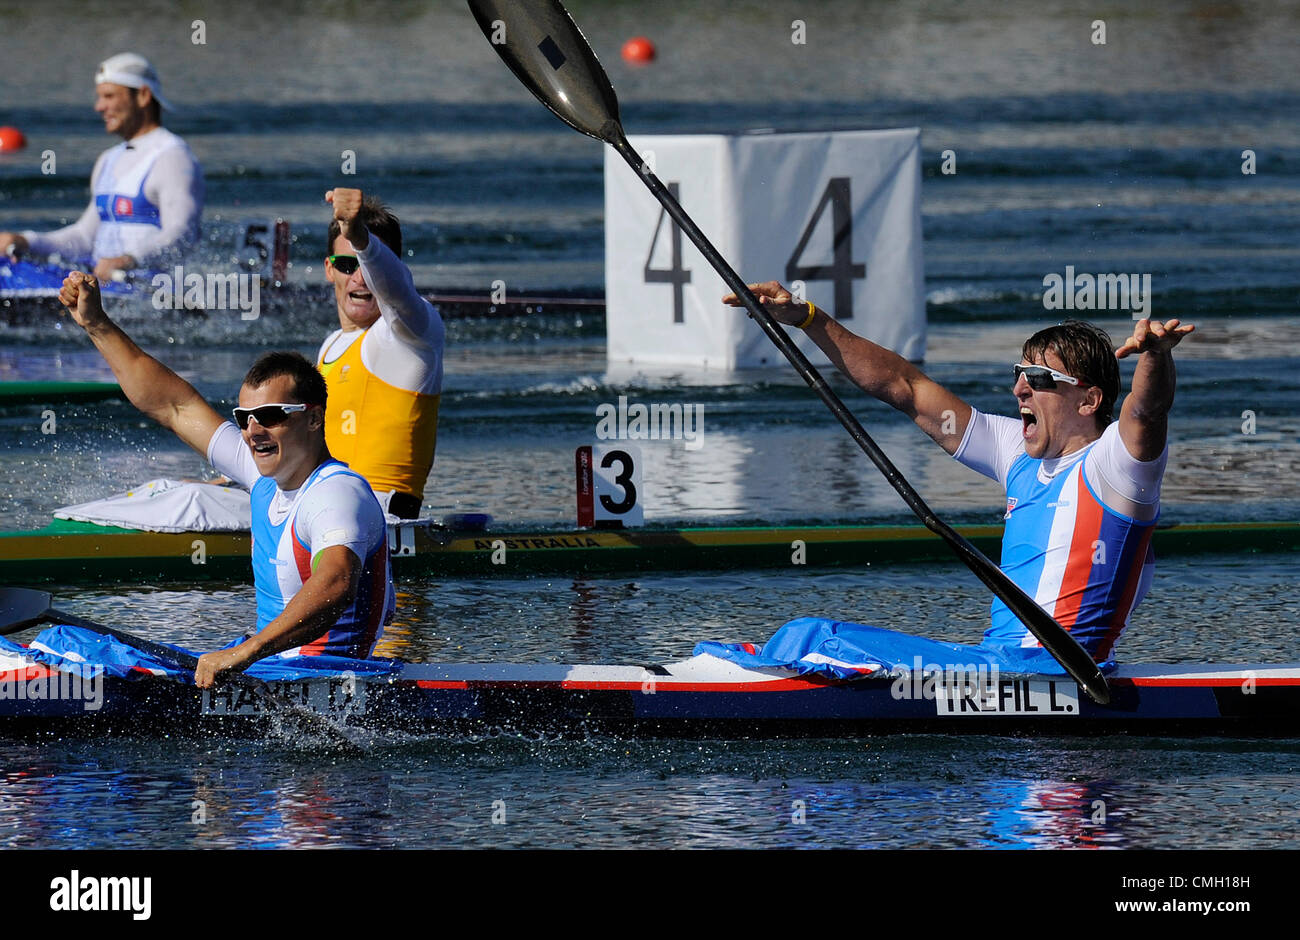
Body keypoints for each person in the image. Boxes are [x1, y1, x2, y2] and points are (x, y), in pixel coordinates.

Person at [723, 281, 1195, 663]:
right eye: (1019, 373)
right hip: (996, 664)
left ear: (1089, 400)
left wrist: (1156, 354)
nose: (1018, 389)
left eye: (1037, 379)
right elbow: (904, 386)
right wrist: (808, 318)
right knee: (804, 638)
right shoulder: (1018, 454)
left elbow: (1147, 411)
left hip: (1055, 670)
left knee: (814, 639)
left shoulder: (1116, 466)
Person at [57, 271, 394, 688]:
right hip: (266, 670)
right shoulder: (263, 473)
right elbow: (173, 406)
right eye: (244, 419)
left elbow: (337, 581)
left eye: (270, 416)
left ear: (313, 417)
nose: (253, 431)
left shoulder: (338, 493)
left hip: (321, 681)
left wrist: (244, 652)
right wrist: (97, 325)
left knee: (79, 663)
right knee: (66, 644)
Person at [0, 53, 204, 283]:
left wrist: (129, 260)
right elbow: (84, 238)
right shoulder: (108, 160)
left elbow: (182, 235)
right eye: (99, 97)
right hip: (104, 288)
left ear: (144, 95)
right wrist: (26, 241)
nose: (99, 107)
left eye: (109, 96)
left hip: (148, 290)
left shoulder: (172, 158)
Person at [317, 188, 444, 519]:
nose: (359, 277)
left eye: (366, 264)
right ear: (329, 270)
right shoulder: (330, 346)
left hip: (380, 515)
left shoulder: (414, 335)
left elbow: (397, 290)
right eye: (347, 264)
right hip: (324, 506)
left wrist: (359, 237)